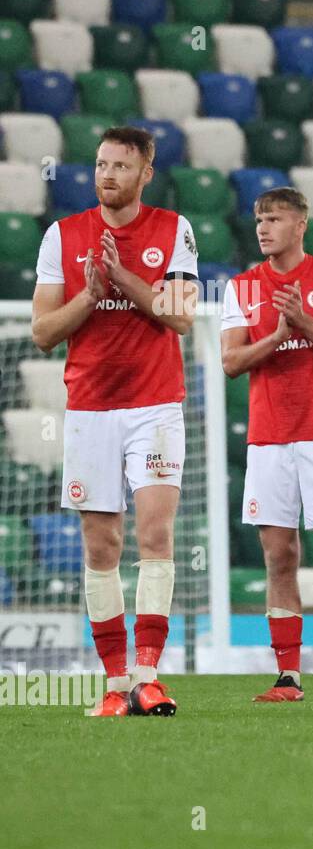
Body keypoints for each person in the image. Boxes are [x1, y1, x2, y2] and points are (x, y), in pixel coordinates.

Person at [31, 125, 198, 717]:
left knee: (155, 536)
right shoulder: (63, 234)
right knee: (101, 547)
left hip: (154, 405)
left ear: (145, 174)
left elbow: (180, 317)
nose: (108, 175)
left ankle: (149, 677)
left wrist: (123, 279)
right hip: (90, 408)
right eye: (101, 164)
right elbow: (44, 333)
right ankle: (114, 683)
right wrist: (90, 295)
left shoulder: (173, 230)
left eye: (122, 167)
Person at [221, 187, 313, 702]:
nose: (263, 228)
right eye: (260, 218)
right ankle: (289, 676)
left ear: (300, 225)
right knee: (279, 556)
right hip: (269, 439)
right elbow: (232, 363)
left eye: (275, 218)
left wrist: (304, 323)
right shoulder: (242, 287)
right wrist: (278, 337)